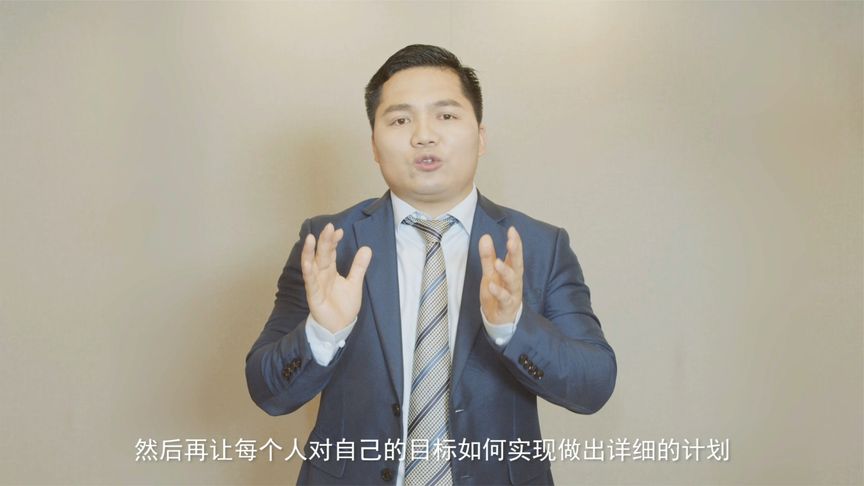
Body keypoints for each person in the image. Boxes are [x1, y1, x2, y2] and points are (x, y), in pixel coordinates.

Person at [245, 44, 617, 485]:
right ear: (374, 146)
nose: (424, 135)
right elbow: (268, 391)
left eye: (446, 115)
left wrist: (513, 327)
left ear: (480, 137)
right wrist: (323, 334)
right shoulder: (329, 244)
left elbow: (593, 385)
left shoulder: (539, 245)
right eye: (400, 120)